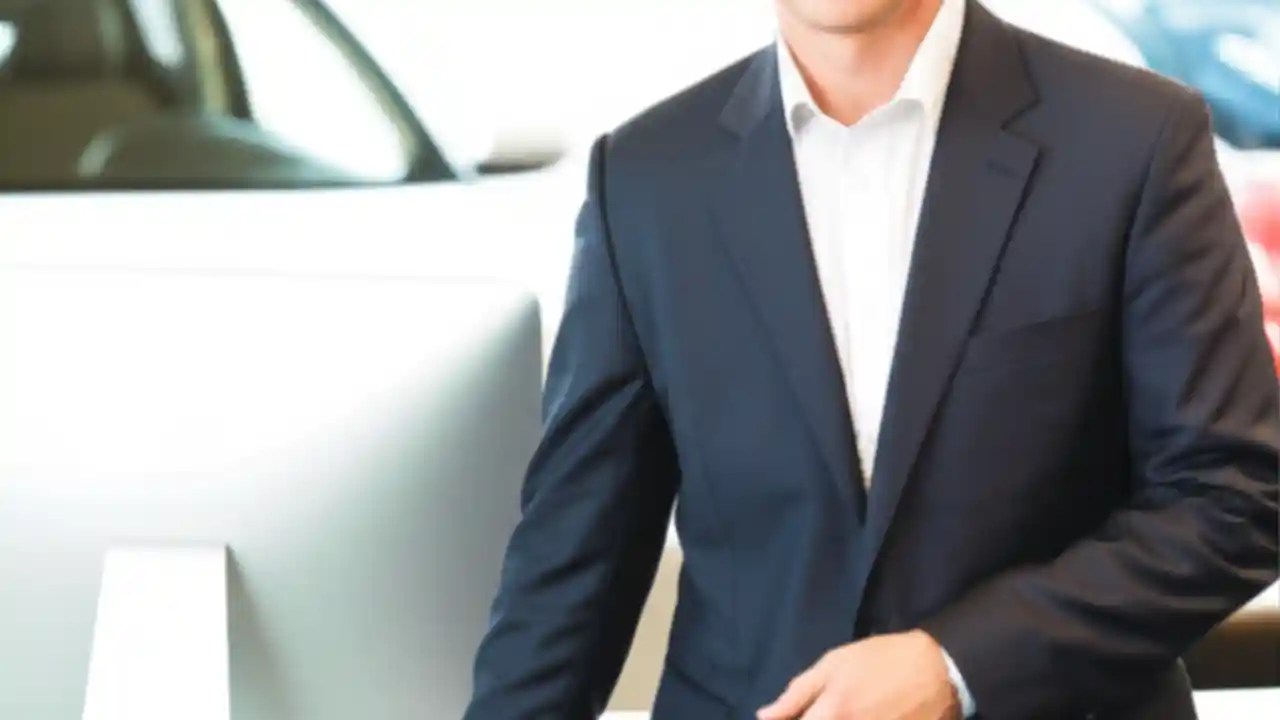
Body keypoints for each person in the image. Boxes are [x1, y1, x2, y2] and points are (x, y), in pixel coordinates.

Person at [463, 0, 1280, 717]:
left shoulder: (1134, 140)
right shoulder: (644, 178)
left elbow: (1235, 498)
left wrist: (959, 666)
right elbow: (574, 571)